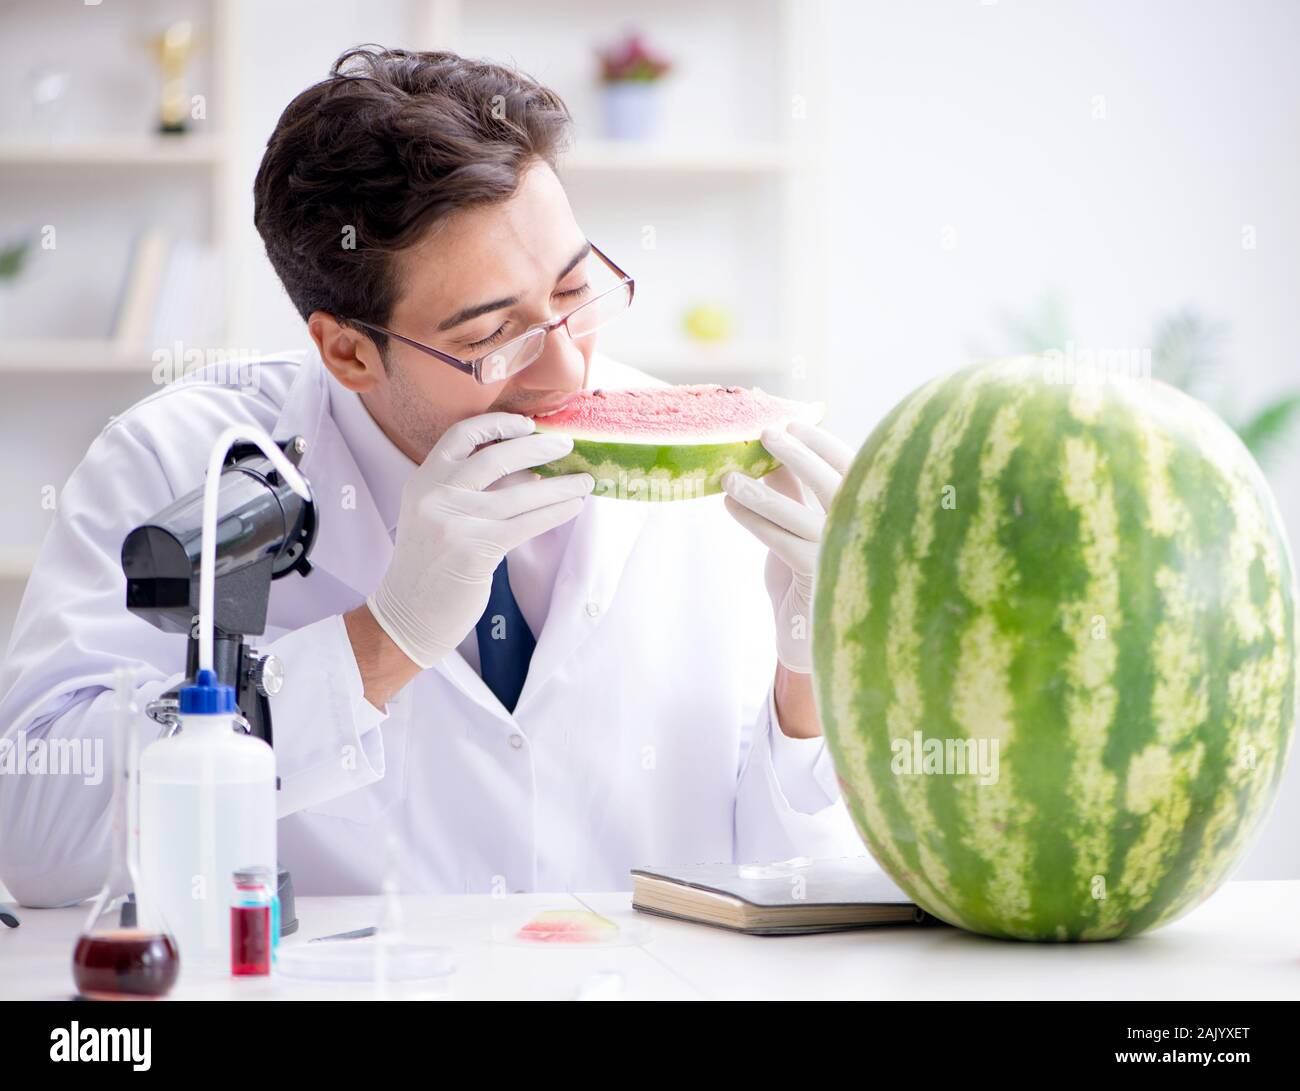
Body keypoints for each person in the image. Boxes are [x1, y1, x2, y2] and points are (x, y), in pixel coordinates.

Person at [0, 47, 868, 904]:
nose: (568, 373)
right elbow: (34, 831)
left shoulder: (694, 465)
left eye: (572, 292)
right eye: (491, 336)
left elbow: (790, 872)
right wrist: (383, 642)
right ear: (347, 350)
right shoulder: (172, 460)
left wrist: (810, 678)